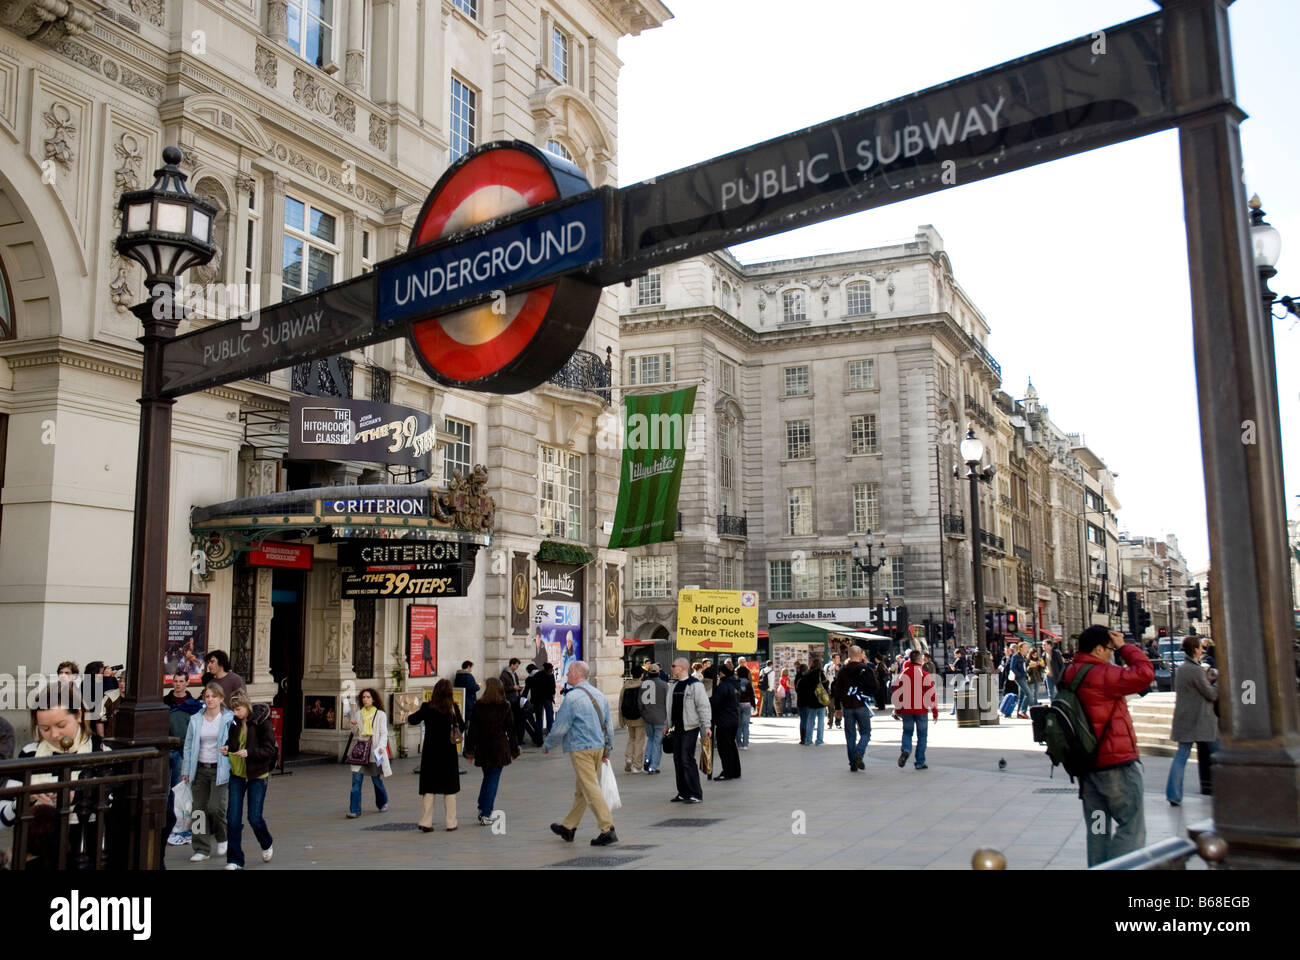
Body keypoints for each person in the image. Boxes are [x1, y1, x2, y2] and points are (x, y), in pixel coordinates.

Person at [1062, 625, 1154, 866]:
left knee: (1098, 830)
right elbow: (1144, 674)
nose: (1112, 654)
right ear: (1099, 648)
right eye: (1110, 649)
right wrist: (1125, 647)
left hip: (1086, 767)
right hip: (1115, 766)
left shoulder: (1070, 673)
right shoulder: (1102, 674)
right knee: (1131, 826)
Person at [1, 682, 115, 869]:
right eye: (44, 729)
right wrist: (24, 801)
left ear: (78, 715)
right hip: (37, 848)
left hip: (83, 846)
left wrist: (77, 797)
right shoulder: (30, 752)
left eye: (61, 725)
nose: (54, 735)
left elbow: (111, 801)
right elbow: (3, 814)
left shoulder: (100, 750)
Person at [544, 661, 617, 846]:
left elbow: (560, 727)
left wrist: (548, 744)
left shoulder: (572, 698)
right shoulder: (599, 694)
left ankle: (607, 828)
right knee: (582, 790)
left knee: (590, 788)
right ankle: (569, 827)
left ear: (577, 674)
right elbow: (608, 725)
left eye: (569, 671)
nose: (566, 674)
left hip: (581, 748)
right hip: (598, 747)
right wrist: (608, 749)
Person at [221, 689, 277, 869]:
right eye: (234, 710)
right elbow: (233, 743)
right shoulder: (234, 723)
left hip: (257, 775)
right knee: (233, 818)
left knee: (254, 817)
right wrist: (227, 748)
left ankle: (266, 841)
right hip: (237, 774)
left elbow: (269, 751)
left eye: (238, 709)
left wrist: (250, 752)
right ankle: (234, 859)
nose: (235, 713)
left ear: (247, 707)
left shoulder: (261, 723)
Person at [181, 682, 233, 862]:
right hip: (200, 767)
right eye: (207, 696)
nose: (210, 700)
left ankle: (222, 836)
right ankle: (201, 848)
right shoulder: (196, 719)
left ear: (221, 698)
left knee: (216, 807)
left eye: (213, 696)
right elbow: (188, 745)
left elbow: (236, 741)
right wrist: (186, 769)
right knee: (198, 810)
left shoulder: (228, 718)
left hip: (220, 769)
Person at [1166, 636, 1219, 806]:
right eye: (1200, 648)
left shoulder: (1183, 669)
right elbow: (1211, 695)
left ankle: (1173, 794)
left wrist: (1206, 681)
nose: (1202, 650)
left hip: (1185, 719)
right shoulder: (1196, 670)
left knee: (1181, 756)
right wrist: (1217, 683)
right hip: (1201, 719)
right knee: (1220, 753)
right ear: (1195, 650)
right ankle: (1231, 788)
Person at [408, 679, 466, 832]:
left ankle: (426, 822)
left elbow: (412, 720)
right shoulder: (452, 707)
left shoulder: (427, 707)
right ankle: (451, 823)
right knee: (450, 788)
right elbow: (463, 726)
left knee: (429, 787)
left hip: (431, 752)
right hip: (448, 752)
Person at [462, 677, 519, 825]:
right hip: (499, 747)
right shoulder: (504, 706)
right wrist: (514, 750)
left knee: (487, 777)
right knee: (492, 780)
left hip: (483, 747)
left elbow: (472, 730)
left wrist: (469, 750)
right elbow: (511, 730)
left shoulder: (479, 705)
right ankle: (486, 812)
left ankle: (482, 807)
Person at [665, 657, 711, 804]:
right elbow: (670, 708)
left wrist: (706, 725)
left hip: (691, 727)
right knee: (678, 759)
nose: (672, 668)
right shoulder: (674, 686)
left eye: (674, 666)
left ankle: (695, 793)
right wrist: (667, 725)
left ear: (682, 668)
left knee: (686, 759)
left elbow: (703, 706)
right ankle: (683, 792)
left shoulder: (695, 685)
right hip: (677, 727)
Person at [164, 672, 202, 844]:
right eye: (176, 681)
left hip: (183, 752)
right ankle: (167, 823)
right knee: (166, 789)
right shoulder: (165, 703)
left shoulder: (193, 706)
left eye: (181, 681)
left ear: (187, 683)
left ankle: (182, 826)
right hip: (167, 750)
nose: (178, 684)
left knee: (181, 789)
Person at [346, 688, 391, 819]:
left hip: (375, 750)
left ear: (373, 699)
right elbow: (355, 732)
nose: (365, 699)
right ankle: (354, 810)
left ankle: (382, 802)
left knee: (376, 780)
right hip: (360, 749)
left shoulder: (380, 714)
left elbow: (384, 733)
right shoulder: (359, 714)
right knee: (356, 780)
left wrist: (381, 747)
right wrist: (353, 724)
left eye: (368, 697)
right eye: (363, 697)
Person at [832, 645, 877, 772]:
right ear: (860, 654)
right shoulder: (865, 669)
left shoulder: (842, 671)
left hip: (847, 706)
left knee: (850, 735)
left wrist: (837, 708)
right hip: (861, 705)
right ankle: (859, 752)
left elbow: (837, 690)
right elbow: (873, 686)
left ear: (849, 655)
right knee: (866, 733)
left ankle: (853, 762)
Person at [892, 649, 938, 770]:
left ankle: (906, 750)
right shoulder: (924, 674)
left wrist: (898, 709)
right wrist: (935, 712)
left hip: (906, 709)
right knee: (922, 735)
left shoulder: (903, 674)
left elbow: (896, 692)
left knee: (907, 732)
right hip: (921, 709)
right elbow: (931, 695)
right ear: (919, 660)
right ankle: (919, 761)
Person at [709, 664, 742, 781]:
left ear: (722, 673)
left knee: (724, 747)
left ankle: (727, 771)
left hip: (724, 720)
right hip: (733, 719)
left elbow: (715, 702)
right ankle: (735, 771)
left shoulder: (723, 686)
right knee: (731, 745)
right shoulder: (734, 684)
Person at [640, 663, 668, 774]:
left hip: (647, 717)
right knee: (657, 742)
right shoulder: (664, 685)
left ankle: (647, 759)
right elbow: (668, 703)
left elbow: (640, 703)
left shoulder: (643, 685)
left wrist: (644, 713)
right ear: (659, 672)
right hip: (660, 718)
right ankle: (653, 766)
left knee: (650, 739)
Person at [618, 672, 646, 774]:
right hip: (640, 718)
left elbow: (620, 702)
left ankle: (628, 758)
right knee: (639, 741)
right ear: (641, 675)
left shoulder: (626, 686)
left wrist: (621, 719)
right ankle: (637, 765)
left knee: (631, 738)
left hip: (628, 717)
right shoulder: (643, 685)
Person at [796, 657, 827, 746]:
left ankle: (808, 740)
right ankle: (819, 740)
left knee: (810, 721)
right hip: (821, 700)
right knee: (821, 720)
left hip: (811, 701)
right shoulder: (821, 674)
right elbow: (825, 685)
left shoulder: (808, 674)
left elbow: (804, 687)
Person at [501, 657, 525, 744]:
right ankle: (512, 739)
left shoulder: (514, 674)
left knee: (517, 720)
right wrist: (513, 688)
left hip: (516, 698)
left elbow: (516, 684)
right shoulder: (504, 674)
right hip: (510, 699)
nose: (517, 667)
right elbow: (503, 687)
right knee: (511, 720)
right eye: (516, 665)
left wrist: (519, 688)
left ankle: (518, 739)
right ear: (512, 664)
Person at [454, 661, 480, 727]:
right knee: (468, 720)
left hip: (460, 699)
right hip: (469, 701)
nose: (471, 670)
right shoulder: (468, 676)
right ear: (468, 666)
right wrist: (478, 686)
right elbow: (472, 688)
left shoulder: (458, 675)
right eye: (471, 667)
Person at [735, 665, 755, 749]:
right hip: (747, 704)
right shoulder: (748, 683)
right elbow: (752, 695)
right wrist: (754, 705)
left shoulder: (736, 682)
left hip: (738, 704)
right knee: (746, 725)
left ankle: (739, 743)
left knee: (738, 725)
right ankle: (745, 744)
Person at [825, 653, 843, 729]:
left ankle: (838, 722)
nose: (838, 659)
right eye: (837, 658)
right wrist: (833, 668)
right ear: (833, 659)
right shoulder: (828, 666)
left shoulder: (842, 667)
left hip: (840, 690)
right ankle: (830, 722)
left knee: (839, 707)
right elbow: (826, 675)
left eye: (839, 658)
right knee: (830, 707)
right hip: (830, 689)